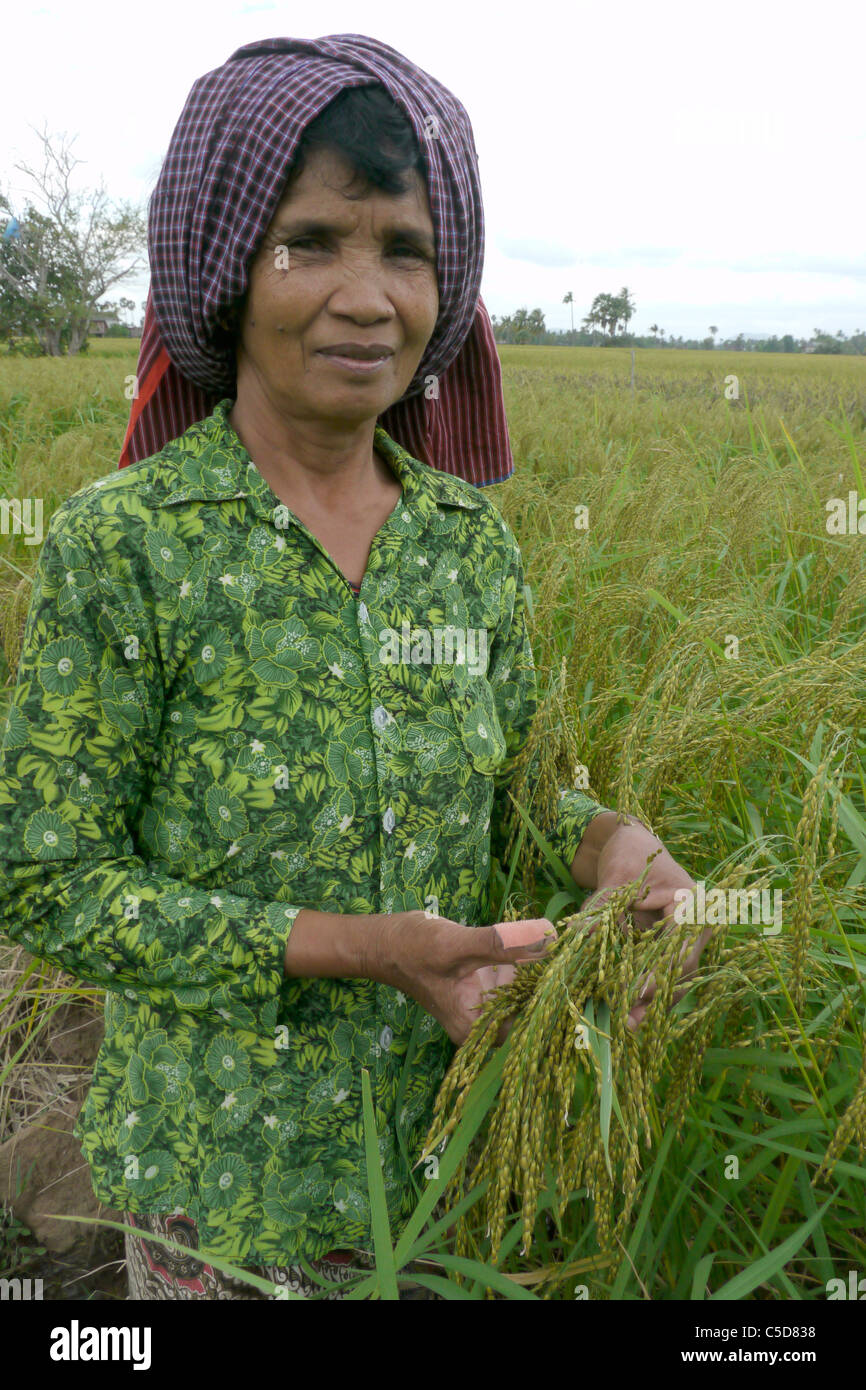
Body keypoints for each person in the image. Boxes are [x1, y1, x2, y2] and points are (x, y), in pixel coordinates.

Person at [0, 35, 707, 1301]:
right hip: (218, 1183)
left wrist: (609, 840)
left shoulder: (465, 540)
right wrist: (358, 944)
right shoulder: (130, 543)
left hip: (440, 1157)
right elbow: (49, 885)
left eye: (405, 251)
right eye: (310, 242)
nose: (367, 295)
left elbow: (508, 795)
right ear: (225, 267)